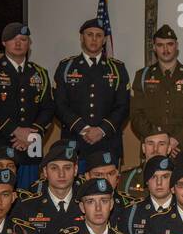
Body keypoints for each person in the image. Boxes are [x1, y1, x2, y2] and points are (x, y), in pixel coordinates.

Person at [0, 22, 55, 188]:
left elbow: (49, 109)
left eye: (23, 39)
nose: (18, 43)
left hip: (31, 147)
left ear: (29, 44)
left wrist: (32, 134)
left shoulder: (40, 72)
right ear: (4, 42)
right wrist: (16, 131)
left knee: (29, 199)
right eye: (13, 39)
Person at [53, 18, 131, 163]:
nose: (94, 39)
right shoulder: (66, 67)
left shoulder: (118, 68)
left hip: (107, 142)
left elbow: (123, 106)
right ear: (82, 37)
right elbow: (59, 105)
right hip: (75, 141)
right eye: (89, 34)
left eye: (99, 35)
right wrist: (83, 128)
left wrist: (101, 130)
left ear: (104, 39)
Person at [130, 24, 183, 155]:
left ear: (177, 46)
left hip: (182, 148)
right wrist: (160, 142)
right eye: (160, 45)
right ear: (154, 47)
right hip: (152, 149)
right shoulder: (142, 75)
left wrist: (175, 140)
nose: (165, 49)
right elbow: (136, 115)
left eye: (170, 44)